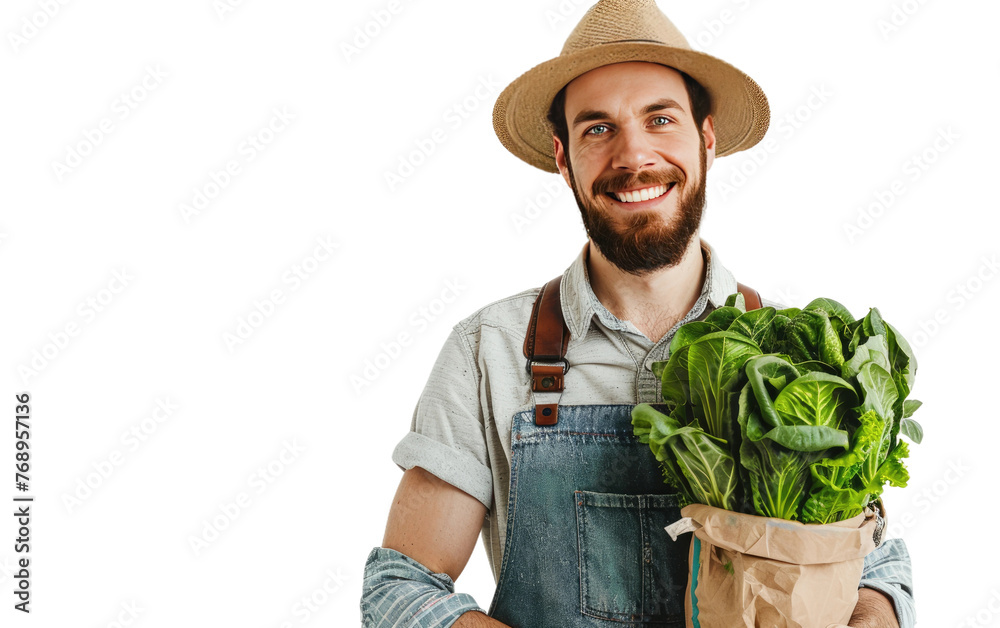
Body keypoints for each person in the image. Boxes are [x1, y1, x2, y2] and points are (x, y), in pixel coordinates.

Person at [361, 1, 915, 626]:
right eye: (597, 129)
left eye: (660, 119)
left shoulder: (802, 357)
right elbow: (401, 591)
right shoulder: (488, 351)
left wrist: (873, 613)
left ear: (706, 140)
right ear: (563, 158)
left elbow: (872, 564)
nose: (633, 156)